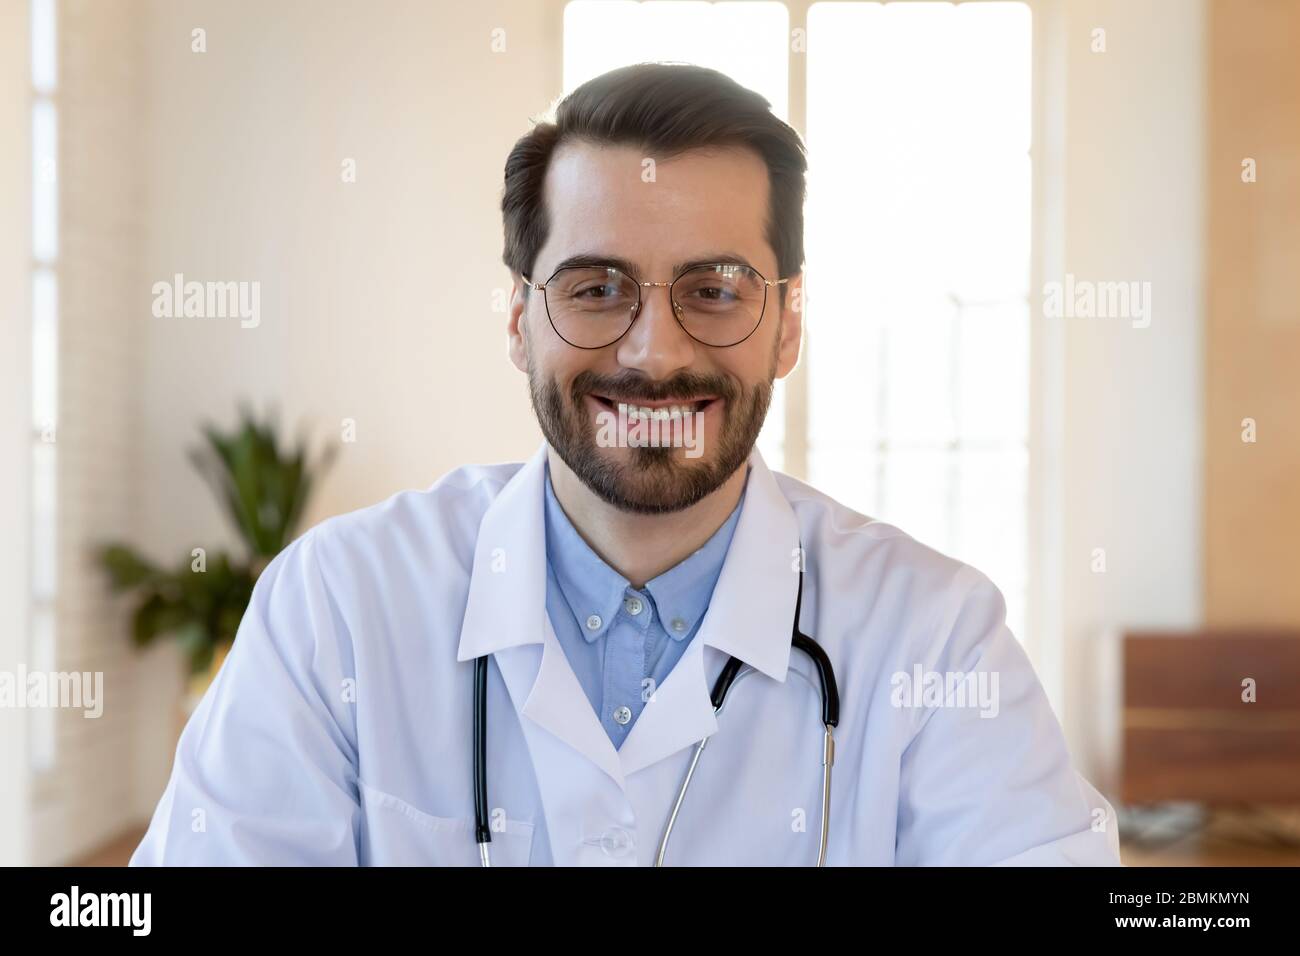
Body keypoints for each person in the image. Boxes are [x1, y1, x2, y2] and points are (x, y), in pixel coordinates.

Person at [132, 62, 1120, 866]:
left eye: (716, 290)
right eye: (598, 288)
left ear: (787, 324)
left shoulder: (934, 637)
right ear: (520, 320)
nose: (655, 353)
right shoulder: (337, 608)